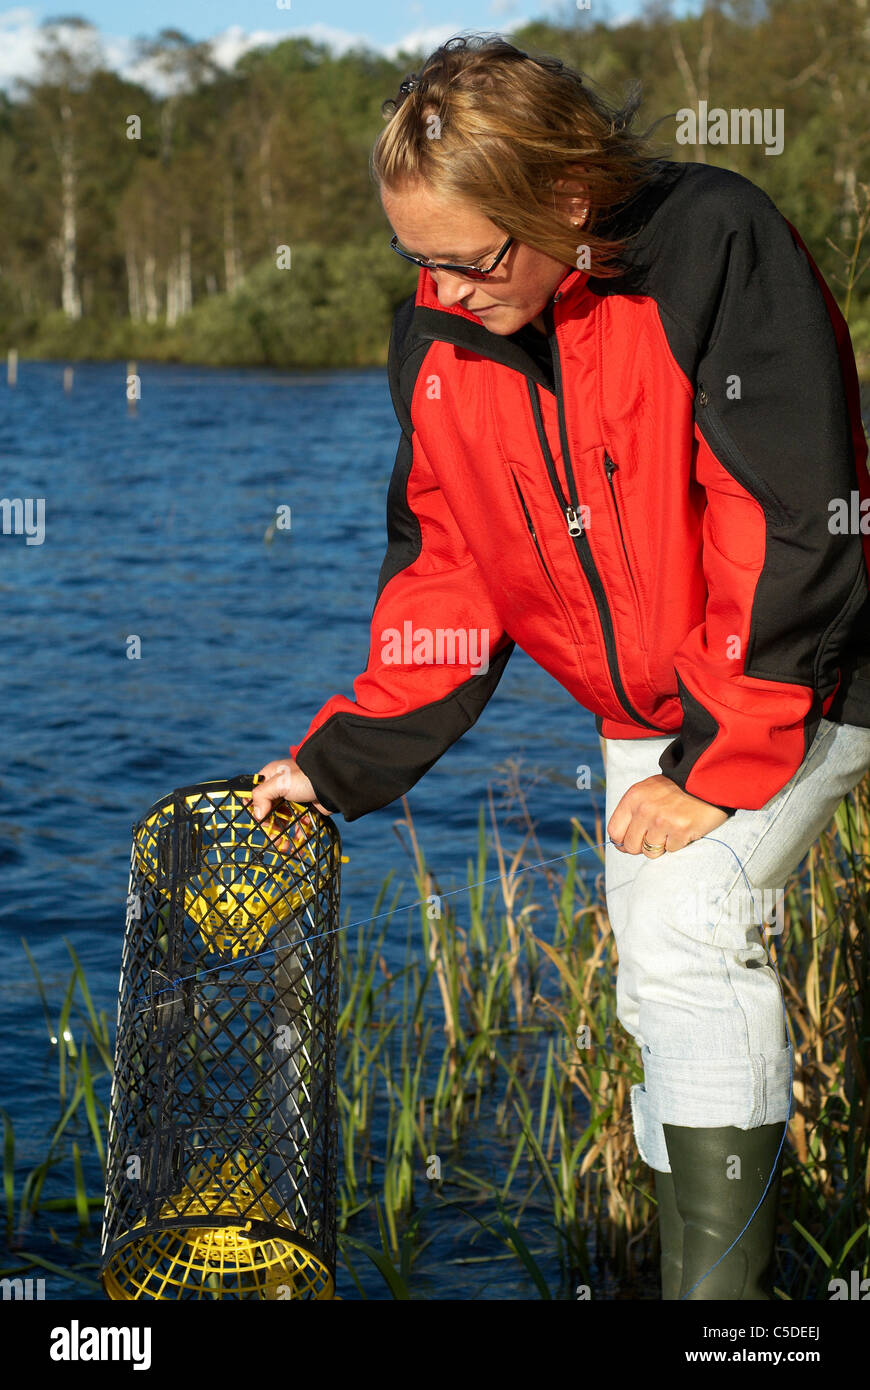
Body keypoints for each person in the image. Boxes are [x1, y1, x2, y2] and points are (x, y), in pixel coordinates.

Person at [249, 35, 870, 1299]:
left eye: (469, 258)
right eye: (413, 258)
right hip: (662, 711)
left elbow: (797, 518)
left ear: (569, 198)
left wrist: (717, 759)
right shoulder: (443, 328)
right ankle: (689, 1278)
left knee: (691, 933)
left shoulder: (712, 244)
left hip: (814, 665)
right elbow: (447, 570)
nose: (440, 290)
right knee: (653, 984)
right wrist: (339, 764)